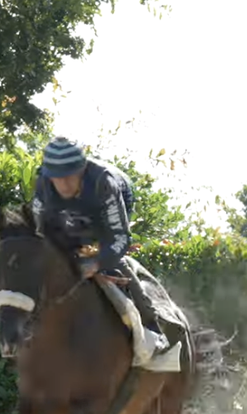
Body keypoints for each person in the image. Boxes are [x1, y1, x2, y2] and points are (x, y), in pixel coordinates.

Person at [32, 136, 170, 352]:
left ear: (82, 169)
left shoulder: (103, 183)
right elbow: (40, 235)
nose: (65, 184)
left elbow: (120, 238)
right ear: (49, 176)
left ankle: (153, 328)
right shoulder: (43, 186)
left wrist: (95, 265)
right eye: (58, 178)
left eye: (70, 176)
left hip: (116, 197)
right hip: (75, 213)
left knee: (112, 262)